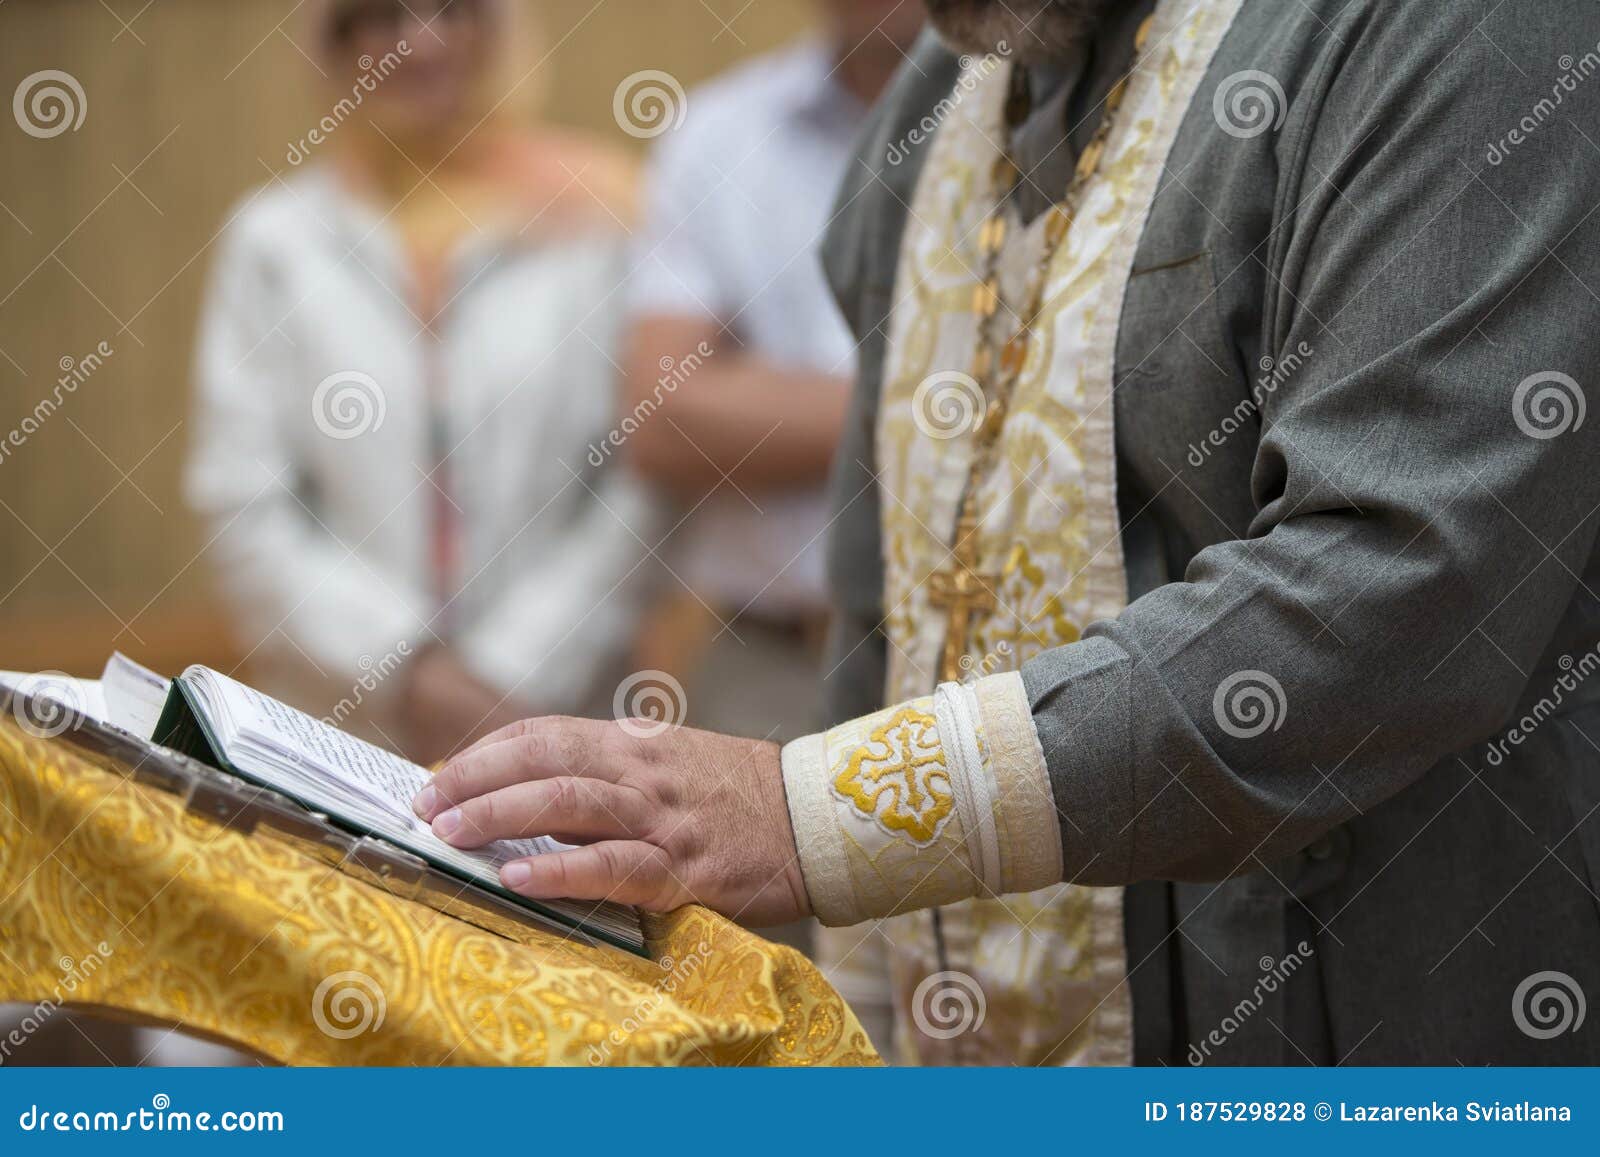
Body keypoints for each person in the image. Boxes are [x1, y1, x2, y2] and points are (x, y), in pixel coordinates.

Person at [412, 0, 1600, 1066]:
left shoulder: (1456, 31)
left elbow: (1400, 585)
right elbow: (888, 582)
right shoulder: (943, 91)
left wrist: (812, 811)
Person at [188, 0, 654, 765]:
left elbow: (643, 478)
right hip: (339, 734)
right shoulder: (276, 243)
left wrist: (507, 675)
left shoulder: (598, 218)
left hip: (559, 722)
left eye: (453, 9)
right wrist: (407, 670)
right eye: (379, 18)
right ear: (332, 45)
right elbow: (244, 503)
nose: (424, 42)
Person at [620, 0, 923, 1039]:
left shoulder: (1046, 113)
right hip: (769, 667)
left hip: (997, 669)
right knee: (746, 1026)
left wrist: (760, 399)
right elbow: (664, 417)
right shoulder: (719, 133)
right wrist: (948, 401)